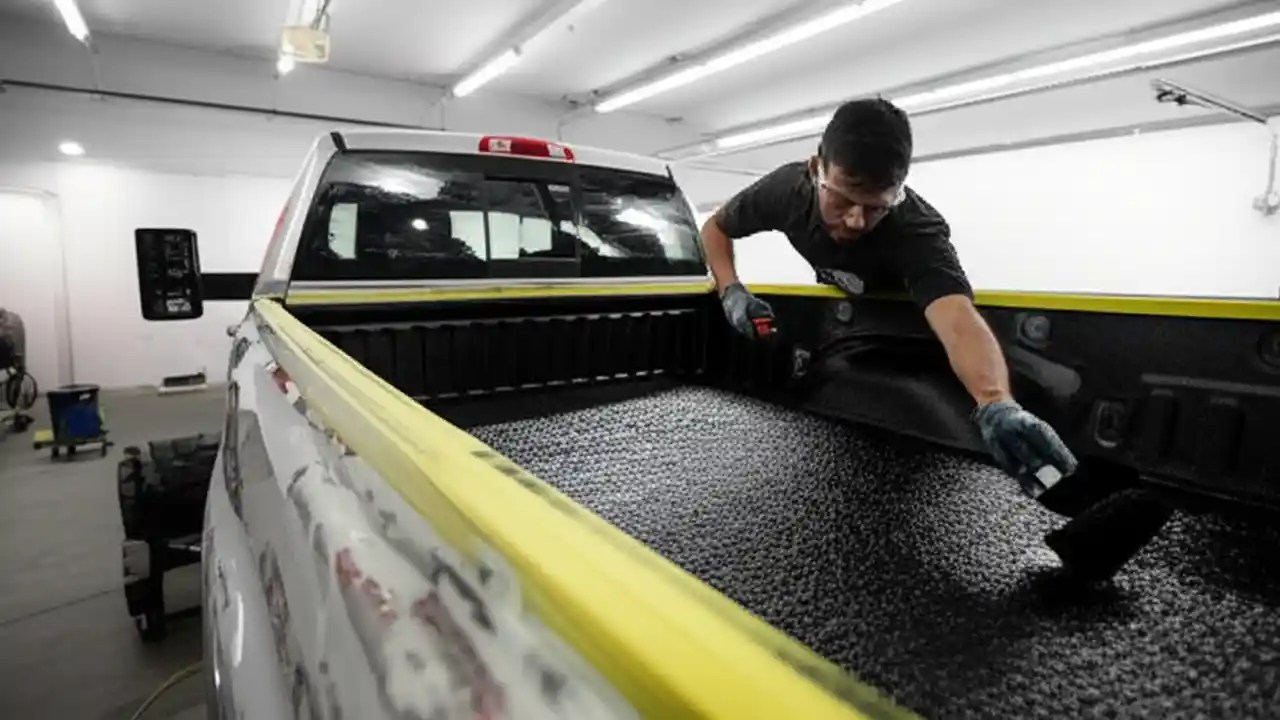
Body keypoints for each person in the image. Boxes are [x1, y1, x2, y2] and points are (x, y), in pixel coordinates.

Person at [699, 97, 1077, 498]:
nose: (856, 221)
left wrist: (996, 401)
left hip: (907, 331)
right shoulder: (785, 191)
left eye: (876, 208)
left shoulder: (916, 230)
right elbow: (716, 227)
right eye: (842, 200)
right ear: (815, 170)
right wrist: (731, 291)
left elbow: (956, 318)